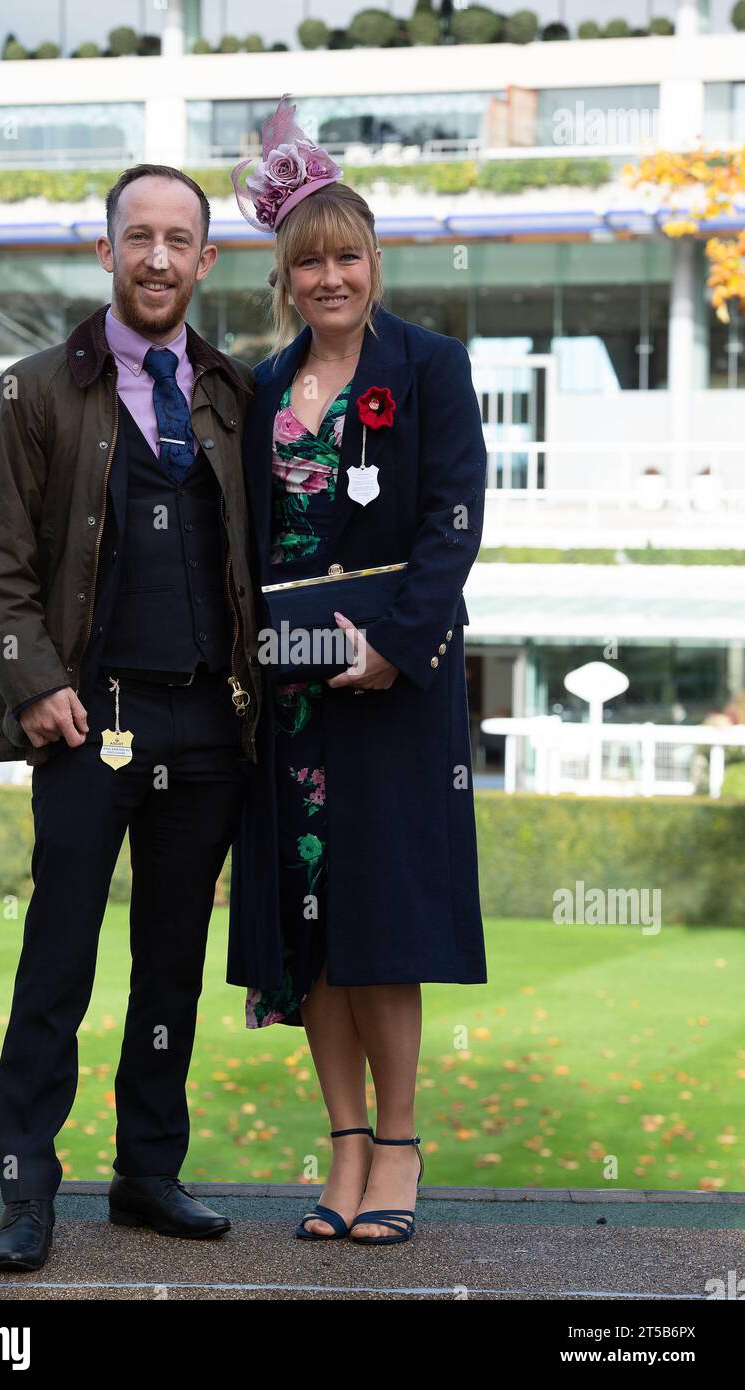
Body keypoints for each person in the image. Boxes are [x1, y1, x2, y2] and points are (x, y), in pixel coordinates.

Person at [0, 164, 262, 1271]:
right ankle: (25, 1187)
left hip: (204, 726)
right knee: (57, 960)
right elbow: (0, 567)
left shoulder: (230, 393)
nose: (155, 258)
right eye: (136, 237)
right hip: (87, 720)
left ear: (203, 260)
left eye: (176, 240)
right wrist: (37, 682)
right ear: (105, 252)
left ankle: (146, 1172)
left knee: (171, 965)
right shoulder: (33, 388)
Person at [227, 97, 488, 1245]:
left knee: (383, 920)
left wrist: (395, 647)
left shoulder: (430, 367)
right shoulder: (254, 390)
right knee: (310, 922)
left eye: (344, 256)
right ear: (283, 276)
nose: (328, 277)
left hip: (394, 686)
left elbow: (453, 523)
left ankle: (399, 1150)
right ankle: (338, 1151)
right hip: (288, 689)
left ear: (372, 259)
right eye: (307, 262)